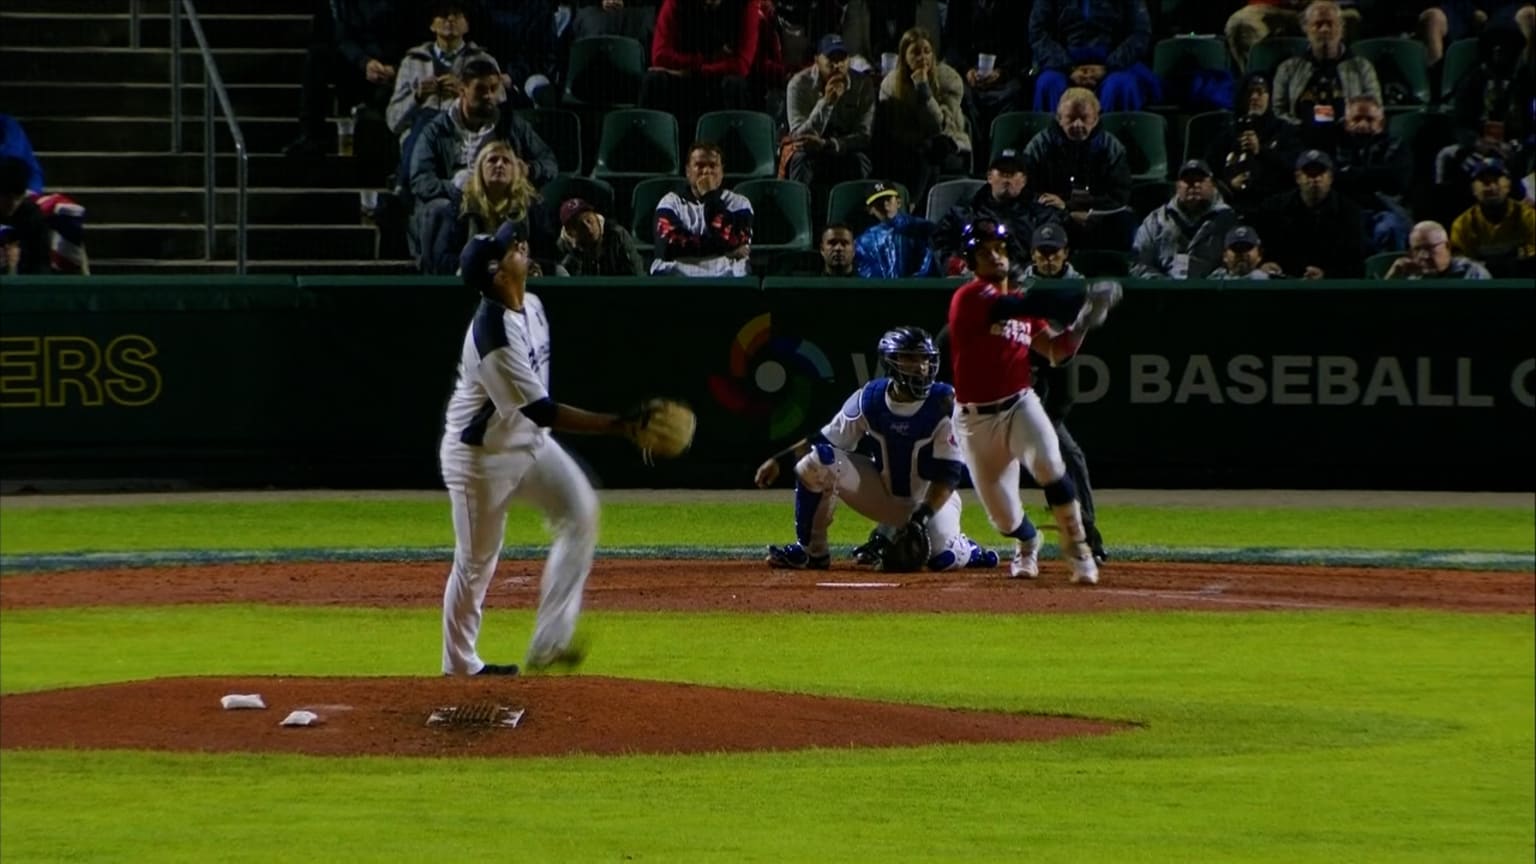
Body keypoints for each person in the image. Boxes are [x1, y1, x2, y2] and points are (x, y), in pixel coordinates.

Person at [439, 221, 643, 675]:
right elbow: (543, 410)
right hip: (480, 462)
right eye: (512, 248)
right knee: (476, 565)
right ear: (497, 273)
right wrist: (621, 426)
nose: (522, 246)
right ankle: (458, 664)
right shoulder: (491, 334)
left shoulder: (532, 304)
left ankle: (550, 642)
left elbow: (535, 418)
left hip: (527, 444)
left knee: (581, 513)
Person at [754, 326, 998, 572]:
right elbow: (825, 440)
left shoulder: (945, 402)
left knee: (941, 559)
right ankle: (811, 552)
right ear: (891, 361)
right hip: (884, 493)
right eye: (911, 358)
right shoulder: (870, 398)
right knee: (816, 462)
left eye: (925, 359)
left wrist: (920, 518)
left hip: (931, 502)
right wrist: (780, 460)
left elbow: (948, 476)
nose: (921, 366)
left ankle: (968, 549)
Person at [946, 220, 1107, 583]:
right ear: (972, 262)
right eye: (985, 252)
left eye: (999, 249)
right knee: (1004, 517)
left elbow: (1055, 352)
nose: (995, 256)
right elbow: (1020, 304)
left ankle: (1078, 547)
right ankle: (1027, 541)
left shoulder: (1020, 307)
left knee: (1051, 464)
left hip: (1019, 402)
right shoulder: (970, 298)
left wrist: (1080, 326)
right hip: (975, 420)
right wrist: (1083, 297)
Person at [407, 58, 559, 257]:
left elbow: (549, 163)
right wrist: (455, 188)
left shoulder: (512, 125)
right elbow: (420, 180)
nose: (488, 95)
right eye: (480, 89)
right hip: (455, 201)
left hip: (502, 197)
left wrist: (529, 169)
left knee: (535, 204)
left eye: (493, 89)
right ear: (463, 90)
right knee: (438, 210)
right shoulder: (436, 130)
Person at [284, 0, 406, 157]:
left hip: (396, 64)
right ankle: (312, 136)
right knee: (317, 55)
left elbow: (413, 35)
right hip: (357, 64)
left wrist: (397, 67)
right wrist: (364, 62)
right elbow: (341, 37)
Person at [1021, 87, 1135, 252]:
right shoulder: (1039, 145)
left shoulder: (1112, 148)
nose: (1078, 124)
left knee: (1125, 221)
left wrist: (1077, 208)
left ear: (1095, 119)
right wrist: (1062, 210)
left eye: (1084, 118)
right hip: (1053, 215)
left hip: (1097, 214)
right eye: (1071, 118)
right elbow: (1027, 191)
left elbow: (1120, 196)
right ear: (1059, 118)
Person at [875, 27, 971, 213]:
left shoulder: (949, 79)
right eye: (916, 53)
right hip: (907, 146)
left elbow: (939, 126)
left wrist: (924, 89)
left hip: (948, 143)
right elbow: (892, 128)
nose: (923, 58)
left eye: (927, 52)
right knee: (925, 157)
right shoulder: (890, 84)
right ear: (904, 57)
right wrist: (918, 141)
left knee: (932, 151)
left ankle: (910, 209)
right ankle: (923, 214)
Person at [421, 141, 552, 274]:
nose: (499, 164)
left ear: (515, 171)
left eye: (506, 161)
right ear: (480, 169)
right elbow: (442, 259)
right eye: (492, 160)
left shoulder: (532, 206)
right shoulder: (461, 205)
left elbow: (548, 257)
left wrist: (526, 261)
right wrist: (481, 264)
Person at [641, 0, 763, 137]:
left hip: (715, 79)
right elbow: (659, 56)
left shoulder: (747, 4)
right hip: (683, 80)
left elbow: (741, 65)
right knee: (654, 80)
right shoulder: (675, 3)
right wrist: (704, 60)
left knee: (734, 84)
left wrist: (697, 71)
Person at [932, 148, 1063, 275]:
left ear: (1024, 180)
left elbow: (1056, 247)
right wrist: (954, 264)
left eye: (1012, 174)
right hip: (976, 279)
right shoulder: (965, 211)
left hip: (1026, 283)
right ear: (989, 177)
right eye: (1002, 173)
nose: (1007, 180)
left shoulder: (1041, 213)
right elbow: (939, 242)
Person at [387, 2, 498, 146]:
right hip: (419, 144)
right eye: (444, 14)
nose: (450, 19)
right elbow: (393, 123)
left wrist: (466, 95)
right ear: (432, 25)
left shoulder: (485, 61)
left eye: (457, 15)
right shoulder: (411, 62)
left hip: (466, 142)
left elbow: (498, 117)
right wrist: (417, 98)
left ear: (467, 25)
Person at [1271, 0, 1382, 142]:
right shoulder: (1287, 69)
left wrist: (1351, 124)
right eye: (1318, 24)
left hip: (1349, 138)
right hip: (1300, 138)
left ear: (1341, 28)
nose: (1324, 29)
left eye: (1330, 23)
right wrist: (1300, 127)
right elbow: (1278, 111)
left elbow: (1374, 106)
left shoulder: (1362, 68)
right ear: (1306, 28)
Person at [1028, 0, 1160, 112]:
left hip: (1116, 63)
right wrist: (1069, 68)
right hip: (1061, 63)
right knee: (1049, 84)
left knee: (1120, 86)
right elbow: (1038, 32)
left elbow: (1140, 33)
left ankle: (1111, 142)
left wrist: (1108, 67)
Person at [784, 34, 877, 193]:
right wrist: (827, 103)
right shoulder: (798, 84)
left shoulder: (863, 85)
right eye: (831, 59)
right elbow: (799, 137)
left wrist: (829, 144)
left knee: (861, 162)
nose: (837, 65)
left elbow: (864, 135)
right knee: (800, 161)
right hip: (809, 149)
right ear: (817, 60)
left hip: (845, 147)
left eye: (842, 59)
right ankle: (801, 213)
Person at [1254, 148, 1367, 277]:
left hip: (1331, 288)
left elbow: (1356, 264)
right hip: (1283, 283)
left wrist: (1326, 275)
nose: (1315, 179)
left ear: (1330, 177)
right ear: (1297, 177)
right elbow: (1258, 249)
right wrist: (1264, 263)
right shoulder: (1273, 208)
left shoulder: (1349, 211)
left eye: (1320, 173)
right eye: (1309, 173)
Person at [651, 141, 755, 276]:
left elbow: (732, 239)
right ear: (688, 171)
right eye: (699, 165)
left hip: (726, 278)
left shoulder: (739, 203)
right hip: (678, 278)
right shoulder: (670, 202)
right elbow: (667, 247)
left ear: (722, 171)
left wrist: (710, 196)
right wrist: (726, 252)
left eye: (713, 166)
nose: (706, 171)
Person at [1207, 72, 1302, 218]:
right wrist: (1228, 185)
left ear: (1269, 96)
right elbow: (1209, 170)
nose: (1254, 97)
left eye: (1260, 92)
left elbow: (1294, 167)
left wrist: (1261, 151)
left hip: (1274, 209)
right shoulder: (1228, 133)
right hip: (1231, 207)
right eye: (1250, 92)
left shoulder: (1284, 131)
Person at [1328, 95, 1412, 252]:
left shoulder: (1396, 146)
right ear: (1346, 122)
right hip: (1343, 211)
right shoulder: (1333, 145)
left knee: (1390, 228)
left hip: (1384, 210)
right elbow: (1332, 179)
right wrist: (1373, 176)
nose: (1363, 124)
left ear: (1381, 123)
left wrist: (1351, 173)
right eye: (1357, 119)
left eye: (1369, 119)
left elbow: (1396, 181)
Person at [1130, 159, 1238, 279]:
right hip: (1163, 291)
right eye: (1188, 181)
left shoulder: (1228, 220)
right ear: (1177, 186)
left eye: (1200, 180)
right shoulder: (1156, 220)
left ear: (1212, 184)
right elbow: (1139, 262)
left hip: (1213, 291)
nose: (1194, 185)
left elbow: (1238, 264)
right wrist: (1161, 284)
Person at [1449, 155, 1536, 275]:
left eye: (1496, 179)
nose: (1491, 186)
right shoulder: (1462, 225)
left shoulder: (1528, 217)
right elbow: (1460, 263)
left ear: (1508, 185)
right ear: (1473, 189)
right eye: (1484, 180)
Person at [854, 183, 938, 277]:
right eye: (879, 202)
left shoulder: (922, 228)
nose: (885, 205)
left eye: (888, 200)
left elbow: (931, 261)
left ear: (898, 202)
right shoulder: (865, 241)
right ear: (870, 210)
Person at [556, 197, 647, 276]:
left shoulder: (617, 235)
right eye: (580, 226)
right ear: (571, 232)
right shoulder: (563, 246)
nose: (588, 228)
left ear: (595, 216)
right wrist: (576, 252)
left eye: (589, 220)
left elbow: (637, 273)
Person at [1385, 220, 1493, 279]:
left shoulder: (1472, 272)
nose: (1424, 256)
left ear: (1447, 246)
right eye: (1417, 249)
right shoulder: (1408, 277)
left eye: (1430, 248)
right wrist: (1392, 276)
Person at [0, 156, 49, 275]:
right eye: (7, 198)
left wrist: (17, 264)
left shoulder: (32, 216)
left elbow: (41, 264)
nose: (12, 204)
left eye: (17, 198)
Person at [1207, 224, 1284, 278]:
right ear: (1225, 256)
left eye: (1247, 248)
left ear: (1259, 254)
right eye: (1236, 248)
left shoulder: (1269, 280)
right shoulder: (1213, 280)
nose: (1241, 253)